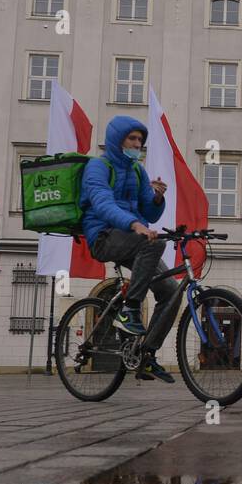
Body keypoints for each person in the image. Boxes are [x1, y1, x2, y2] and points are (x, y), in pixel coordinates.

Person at [80, 115, 174, 383]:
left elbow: (150, 213)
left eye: (140, 141)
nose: (137, 144)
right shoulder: (98, 167)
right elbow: (102, 204)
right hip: (103, 236)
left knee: (170, 290)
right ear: (116, 139)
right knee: (152, 242)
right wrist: (135, 225)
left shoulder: (137, 170)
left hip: (132, 237)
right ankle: (129, 309)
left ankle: (146, 354)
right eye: (132, 139)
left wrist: (156, 197)